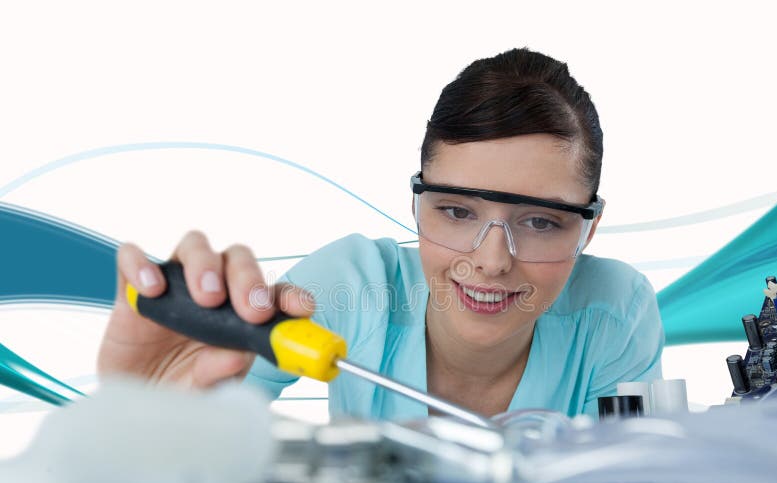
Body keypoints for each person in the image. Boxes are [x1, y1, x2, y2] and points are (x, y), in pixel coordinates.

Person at [97, 47, 664, 419]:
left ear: (589, 230)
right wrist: (148, 423)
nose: (491, 261)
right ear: (416, 205)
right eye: (457, 212)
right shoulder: (346, 287)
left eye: (540, 223)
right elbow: (196, 478)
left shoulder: (615, 315)